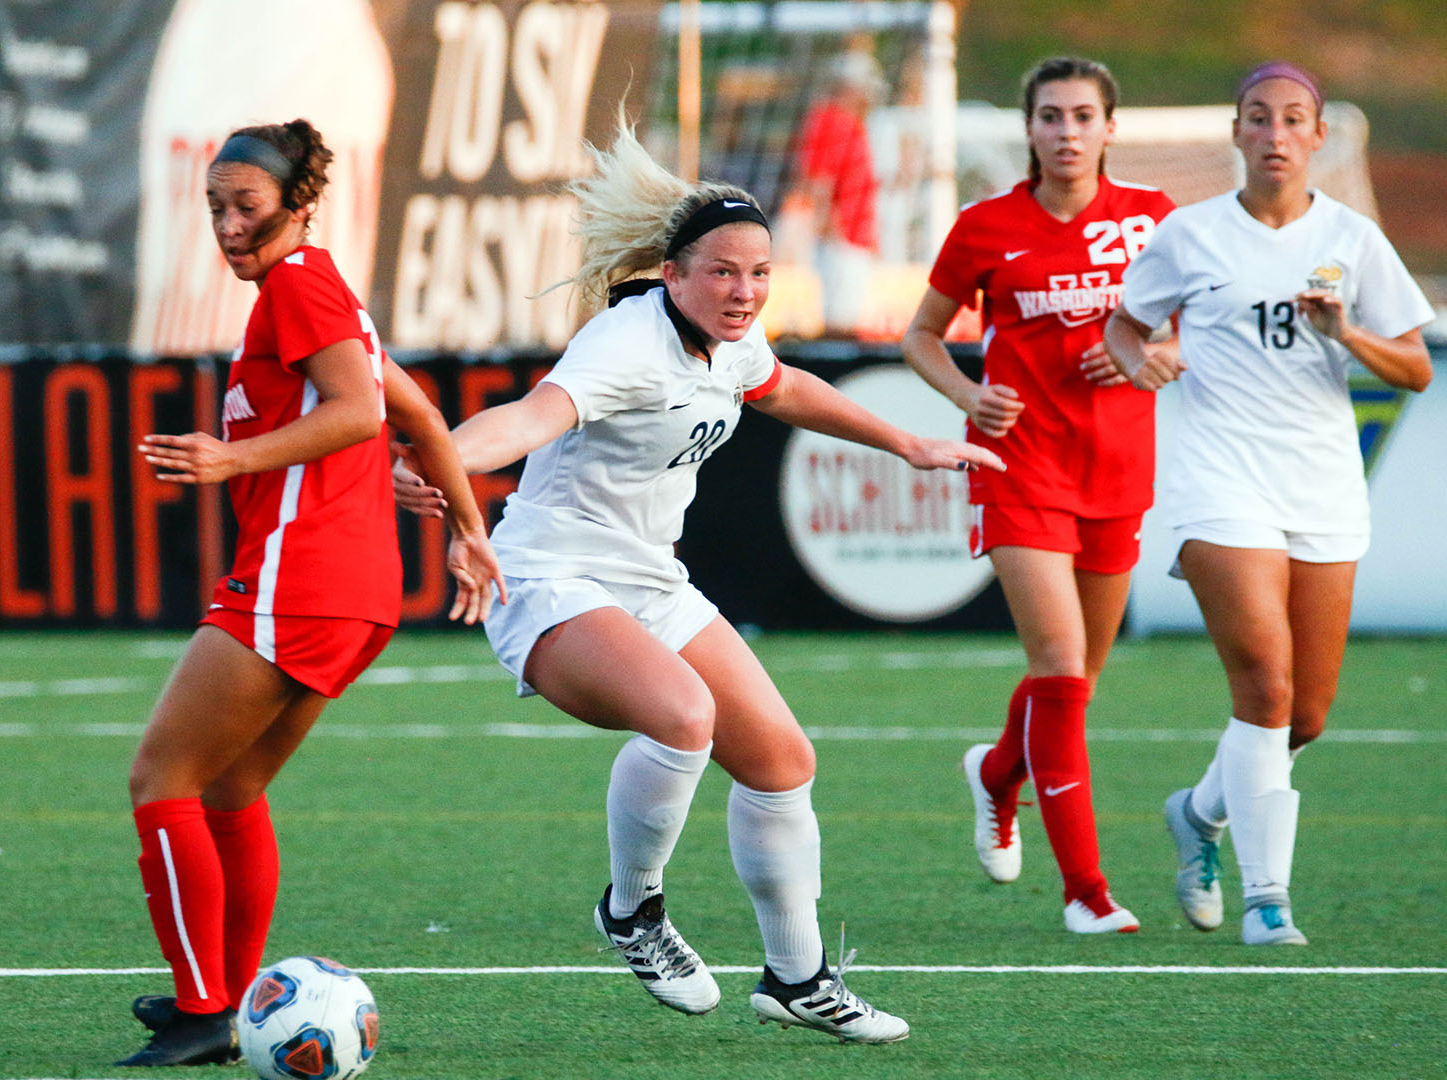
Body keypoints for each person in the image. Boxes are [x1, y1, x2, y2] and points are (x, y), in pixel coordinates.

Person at [397, 117, 1003, 1044]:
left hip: (646, 579)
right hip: (551, 574)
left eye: (759, 272)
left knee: (782, 761)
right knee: (683, 716)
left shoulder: (731, 342)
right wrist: (443, 461)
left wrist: (908, 440)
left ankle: (796, 977)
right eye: (722, 271)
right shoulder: (626, 341)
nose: (744, 290)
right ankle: (632, 913)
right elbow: (532, 415)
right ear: (672, 274)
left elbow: (786, 386)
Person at [117, 119, 503, 1067]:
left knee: (160, 781)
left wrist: (230, 457)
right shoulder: (319, 291)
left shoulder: (298, 284)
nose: (227, 224)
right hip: (354, 589)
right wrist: (466, 527)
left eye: (245, 205)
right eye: (215, 206)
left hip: (302, 576)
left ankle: (208, 1006)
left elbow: (362, 412)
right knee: (232, 786)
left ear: (296, 206)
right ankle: (223, 998)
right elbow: (414, 413)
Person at [1106, 63, 1433, 946]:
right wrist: (1145, 362)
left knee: (1306, 716)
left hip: (1323, 486)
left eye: (1294, 119)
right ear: (1238, 134)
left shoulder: (1353, 238)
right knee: (1265, 683)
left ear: (1319, 137)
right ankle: (1268, 899)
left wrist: (1346, 333)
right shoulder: (1190, 233)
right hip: (1221, 482)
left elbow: (1414, 367)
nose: (1277, 134)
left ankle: (1198, 814)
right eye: (1260, 118)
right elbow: (1125, 324)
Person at [900, 56, 1176, 934]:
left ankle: (995, 777)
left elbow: (1184, 343)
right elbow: (921, 337)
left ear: (1109, 128)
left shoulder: (1151, 221)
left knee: (1078, 678)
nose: (1066, 131)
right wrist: (967, 396)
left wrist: (1148, 360)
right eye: (1050, 115)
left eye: (1082, 115)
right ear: (1028, 129)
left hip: (1117, 471)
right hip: (1017, 468)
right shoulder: (985, 227)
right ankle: (1087, 894)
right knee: (1060, 672)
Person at [788, 47, 884, 337]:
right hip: (842, 237)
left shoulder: (844, 122)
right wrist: (833, 231)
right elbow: (818, 182)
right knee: (840, 324)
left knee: (847, 318)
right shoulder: (831, 121)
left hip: (850, 236)